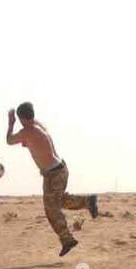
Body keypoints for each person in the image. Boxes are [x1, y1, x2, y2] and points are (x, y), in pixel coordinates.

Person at [6, 103, 98, 256]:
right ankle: (87, 202)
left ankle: (67, 239)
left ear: (21, 118)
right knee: (58, 201)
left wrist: (10, 124)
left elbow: (9, 140)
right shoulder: (38, 127)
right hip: (56, 171)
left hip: (54, 173)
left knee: (52, 209)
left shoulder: (27, 131)